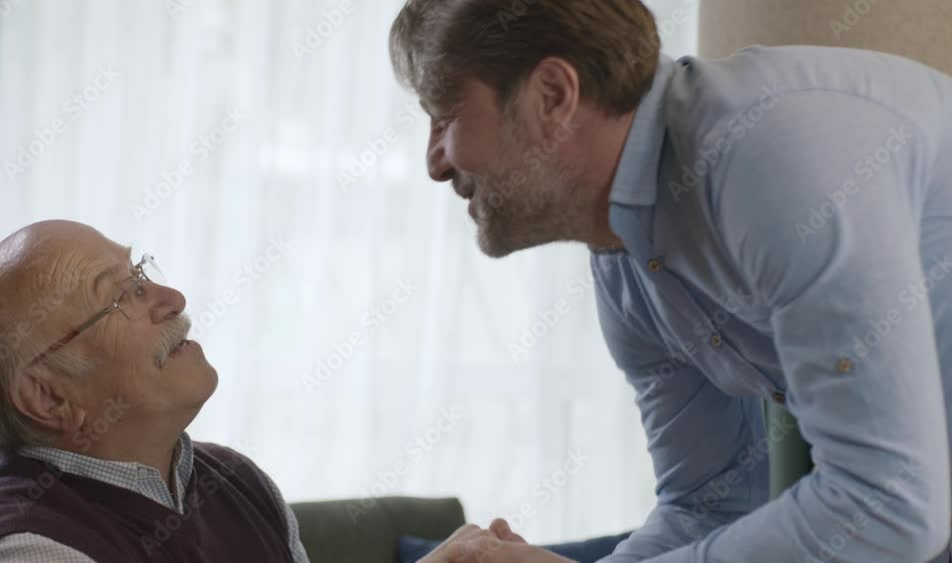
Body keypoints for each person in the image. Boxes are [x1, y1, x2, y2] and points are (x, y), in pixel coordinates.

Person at [390, 0, 952, 561]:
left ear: (553, 96)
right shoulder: (622, 258)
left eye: (445, 115)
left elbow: (886, 507)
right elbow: (711, 502)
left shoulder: (769, 150)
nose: (435, 162)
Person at [0, 220, 309, 562]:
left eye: (139, 274)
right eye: (123, 295)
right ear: (49, 398)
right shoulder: (27, 547)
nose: (174, 299)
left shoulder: (240, 479)